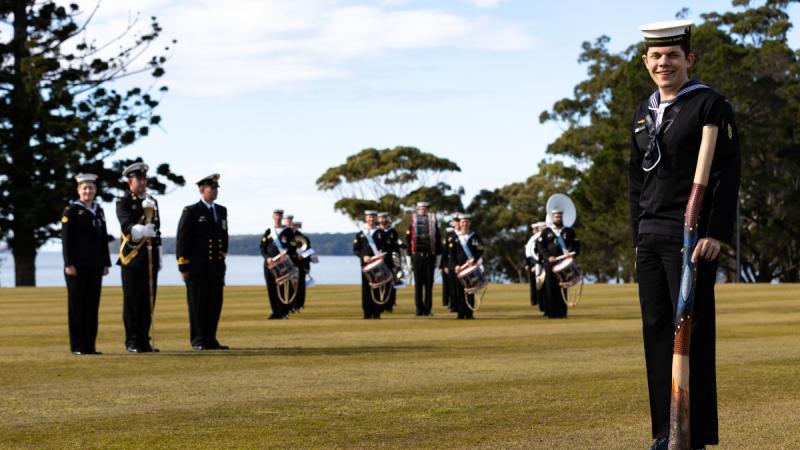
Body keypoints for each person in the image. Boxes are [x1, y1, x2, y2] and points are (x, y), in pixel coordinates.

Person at [630, 20, 740, 450]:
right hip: (651, 236)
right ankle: (666, 432)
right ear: (646, 62)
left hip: (691, 236)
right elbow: (634, 182)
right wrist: (637, 233)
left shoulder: (710, 105)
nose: (664, 63)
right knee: (656, 330)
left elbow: (728, 174)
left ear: (688, 59)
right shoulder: (643, 111)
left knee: (690, 334)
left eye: (673, 55)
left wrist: (715, 232)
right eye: (656, 56)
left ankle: (692, 436)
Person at [176, 174, 229, 351]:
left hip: (216, 266)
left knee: (214, 303)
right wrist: (183, 264)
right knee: (198, 304)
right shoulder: (191, 211)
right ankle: (198, 340)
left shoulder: (221, 211)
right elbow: (183, 239)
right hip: (197, 267)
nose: (215, 191)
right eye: (212, 188)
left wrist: (222, 258)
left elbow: (224, 236)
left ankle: (211, 338)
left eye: (216, 188)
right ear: (202, 190)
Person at [61, 173, 111, 355]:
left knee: (92, 306)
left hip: (95, 266)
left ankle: (90, 346)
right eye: (84, 188)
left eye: (91, 188)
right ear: (78, 190)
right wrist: (69, 263)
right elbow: (66, 240)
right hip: (76, 267)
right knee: (77, 306)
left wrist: (106, 262)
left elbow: (102, 239)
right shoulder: (71, 211)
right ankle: (77, 346)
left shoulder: (99, 211)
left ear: (95, 190)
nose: (88, 191)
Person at [116, 162, 161, 353]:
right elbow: (125, 224)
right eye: (139, 179)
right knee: (133, 301)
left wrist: (156, 242)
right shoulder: (124, 201)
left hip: (150, 257)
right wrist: (139, 229)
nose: (143, 182)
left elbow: (157, 227)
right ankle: (132, 340)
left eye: (144, 179)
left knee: (148, 300)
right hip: (132, 258)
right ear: (130, 182)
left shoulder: (152, 201)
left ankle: (144, 339)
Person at [536, 208, 578, 319]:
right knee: (550, 287)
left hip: (563, 262)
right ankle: (552, 313)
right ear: (552, 217)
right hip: (550, 264)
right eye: (556, 216)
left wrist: (572, 255)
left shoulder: (569, 231)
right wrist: (548, 257)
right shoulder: (546, 232)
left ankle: (562, 312)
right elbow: (540, 246)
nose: (558, 218)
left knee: (563, 287)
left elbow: (576, 245)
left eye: (559, 216)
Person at [260, 209, 297, 319]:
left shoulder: (288, 231)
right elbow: (262, 247)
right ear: (273, 217)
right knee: (271, 288)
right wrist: (267, 258)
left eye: (280, 215)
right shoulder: (268, 231)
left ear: (282, 217)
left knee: (284, 287)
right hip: (270, 264)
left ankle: (284, 312)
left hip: (283, 264)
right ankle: (275, 312)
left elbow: (293, 247)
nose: (278, 217)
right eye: (276, 215)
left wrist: (285, 254)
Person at [405, 202, 441, 316]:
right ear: (417, 210)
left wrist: (438, 260)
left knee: (429, 285)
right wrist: (409, 261)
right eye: (420, 209)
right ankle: (419, 309)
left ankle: (428, 309)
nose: (423, 211)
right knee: (418, 285)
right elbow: (408, 242)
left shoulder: (433, 223)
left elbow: (438, 242)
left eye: (425, 209)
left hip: (429, 257)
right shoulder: (412, 224)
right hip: (417, 258)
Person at [353, 210, 388, 319]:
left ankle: (377, 313)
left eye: (373, 217)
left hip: (377, 265)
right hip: (365, 266)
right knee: (366, 289)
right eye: (369, 217)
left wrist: (382, 255)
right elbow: (356, 250)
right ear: (366, 218)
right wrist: (363, 257)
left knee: (377, 287)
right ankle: (367, 313)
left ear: (376, 218)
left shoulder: (381, 233)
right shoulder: (360, 234)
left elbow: (387, 248)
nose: (371, 219)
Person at [452, 214, 483, 319]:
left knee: (470, 291)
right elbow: (451, 254)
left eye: (466, 222)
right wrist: (455, 265)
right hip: (459, 268)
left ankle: (469, 314)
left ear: (469, 223)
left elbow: (480, 250)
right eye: (462, 222)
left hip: (470, 267)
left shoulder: (475, 236)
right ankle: (460, 314)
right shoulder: (455, 237)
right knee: (459, 291)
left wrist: (474, 259)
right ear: (459, 224)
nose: (465, 224)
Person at [377, 212, 400, 312]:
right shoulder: (376, 231)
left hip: (390, 260)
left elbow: (396, 247)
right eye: (381, 218)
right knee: (379, 282)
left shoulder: (393, 231)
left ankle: (389, 304)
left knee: (391, 282)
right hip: (379, 261)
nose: (383, 220)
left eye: (384, 218)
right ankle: (380, 304)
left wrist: (397, 262)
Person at [524, 221, 546, 310]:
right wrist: (529, 265)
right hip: (536, 265)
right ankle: (538, 303)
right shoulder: (533, 240)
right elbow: (530, 253)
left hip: (542, 264)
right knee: (537, 285)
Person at [442, 215, 461, 313]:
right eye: (455, 222)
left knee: (460, 286)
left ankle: (460, 305)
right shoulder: (449, 235)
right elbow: (445, 252)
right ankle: (453, 305)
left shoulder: (463, 235)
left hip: (461, 265)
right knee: (452, 286)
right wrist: (444, 265)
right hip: (450, 264)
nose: (457, 224)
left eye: (459, 221)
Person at [291, 219, 311, 312]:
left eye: (296, 225)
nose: (294, 226)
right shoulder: (287, 236)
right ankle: (291, 305)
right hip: (290, 264)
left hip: (301, 265)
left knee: (300, 286)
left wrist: (306, 264)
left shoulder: (304, 237)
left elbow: (309, 252)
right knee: (290, 286)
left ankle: (299, 304)